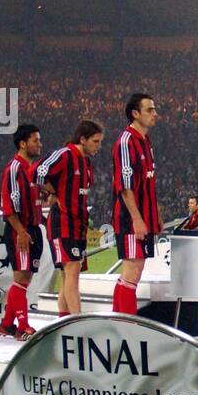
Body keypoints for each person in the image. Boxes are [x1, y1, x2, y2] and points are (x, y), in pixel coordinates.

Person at [37, 119, 103, 317]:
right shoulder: (65, 155)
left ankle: (64, 320)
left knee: (68, 275)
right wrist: (52, 190)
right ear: (82, 139)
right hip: (62, 223)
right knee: (72, 271)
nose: (98, 146)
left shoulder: (87, 162)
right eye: (95, 141)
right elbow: (38, 172)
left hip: (78, 225)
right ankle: (77, 321)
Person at [111, 93, 161, 315]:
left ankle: (119, 320)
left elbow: (148, 181)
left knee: (134, 271)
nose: (154, 114)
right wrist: (137, 218)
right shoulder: (126, 141)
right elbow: (125, 185)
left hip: (144, 216)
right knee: (132, 270)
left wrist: (155, 214)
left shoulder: (146, 141)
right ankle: (127, 323)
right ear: (135, 113)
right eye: (149, 109)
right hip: (130, 218)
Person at [0, 124, 43, 340]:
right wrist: (21, 232)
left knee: (25, 280)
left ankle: (6, 325)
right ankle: (23, 327)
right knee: (21, 279)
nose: (39, 144)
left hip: (32, 229)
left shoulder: (32, 170)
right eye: (35, 140)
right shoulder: (15, 169)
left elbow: (31, 203)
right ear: (23, 144)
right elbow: (9, 208)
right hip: (20, 231)